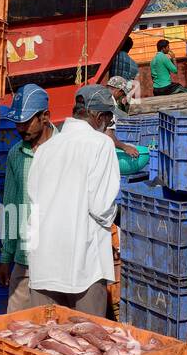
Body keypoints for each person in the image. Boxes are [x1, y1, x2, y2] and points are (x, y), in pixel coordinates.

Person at [25, 84, 119, 317]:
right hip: (83, 266)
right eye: (108, 119)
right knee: (87, 343)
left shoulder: (45, 149)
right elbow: (101, 207)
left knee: (48, 343)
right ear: (98, 116)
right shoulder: (101, 144)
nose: (108, 125)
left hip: (43, 264)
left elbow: (34, 201)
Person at [0, 84, 56, 313]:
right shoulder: (16, 153)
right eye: (17, 123)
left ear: (45, 117)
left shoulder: (63, 149)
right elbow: (11, 204)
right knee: (15, 322)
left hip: (56, 257)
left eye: (27, 122)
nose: (20, 128)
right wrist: (6, 256)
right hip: (24, 256)